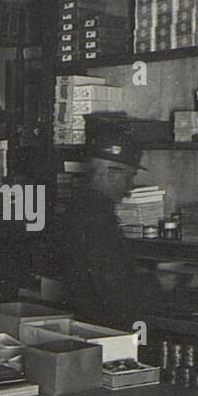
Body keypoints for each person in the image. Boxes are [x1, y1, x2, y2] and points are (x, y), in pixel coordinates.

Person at [57, 126, 171, 327]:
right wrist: (159, 283)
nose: (129, 189)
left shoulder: (79, 207)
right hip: (103, 327)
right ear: (111, 174)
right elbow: (113, 290)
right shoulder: (97, 218)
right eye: (129, 177)